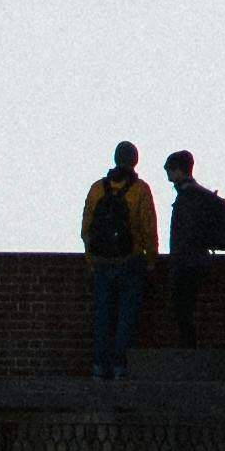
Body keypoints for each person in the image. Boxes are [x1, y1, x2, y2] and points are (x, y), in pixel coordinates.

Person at [79, 139, 158, 382]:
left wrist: (91, 260)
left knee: (102, 317)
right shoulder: (140, 190)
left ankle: (99, 366)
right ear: (135, 161)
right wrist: (151, 260)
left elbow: (86, 228)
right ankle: (119, 367)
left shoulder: (97, 189)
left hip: (102, 262)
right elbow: (148, 228)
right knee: (126, 317)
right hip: (130, 261)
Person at [162, 147, 225, 344]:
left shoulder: (187, 198)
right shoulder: (206, 198)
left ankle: (188, 349)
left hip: (186, 263)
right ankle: (189, 348)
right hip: (198, 261)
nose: (168, 175)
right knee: (188, 310)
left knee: (183, 310)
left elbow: (183, 236)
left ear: (178, 170)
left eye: (170, 170)